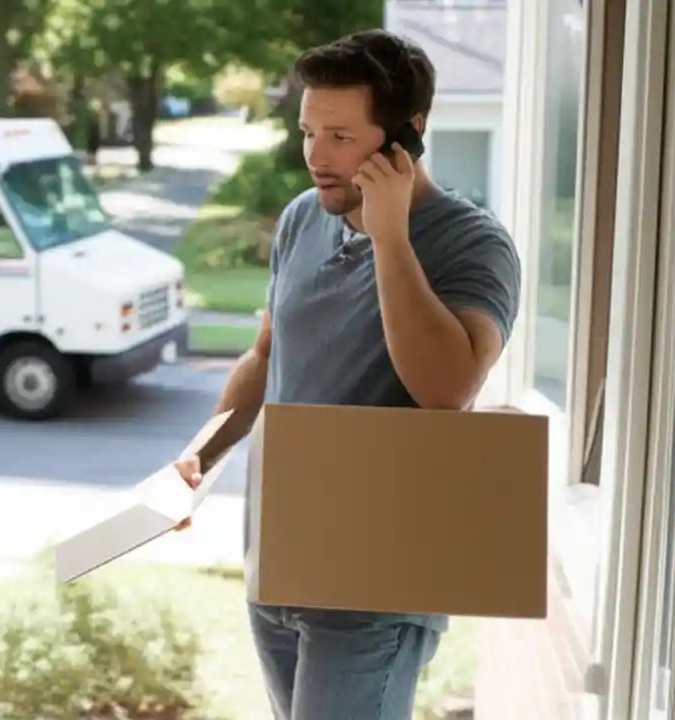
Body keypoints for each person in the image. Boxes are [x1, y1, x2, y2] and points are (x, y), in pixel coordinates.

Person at [172, 29, 522, 720]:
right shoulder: (304, 218)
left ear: (408, 134)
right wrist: (202, 453)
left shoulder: (473, 245)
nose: (315, 157)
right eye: (307, 131)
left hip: (375, 585)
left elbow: (446, 389)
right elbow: (267, 356)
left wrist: (390, 235)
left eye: (339, 135)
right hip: (277, 564)